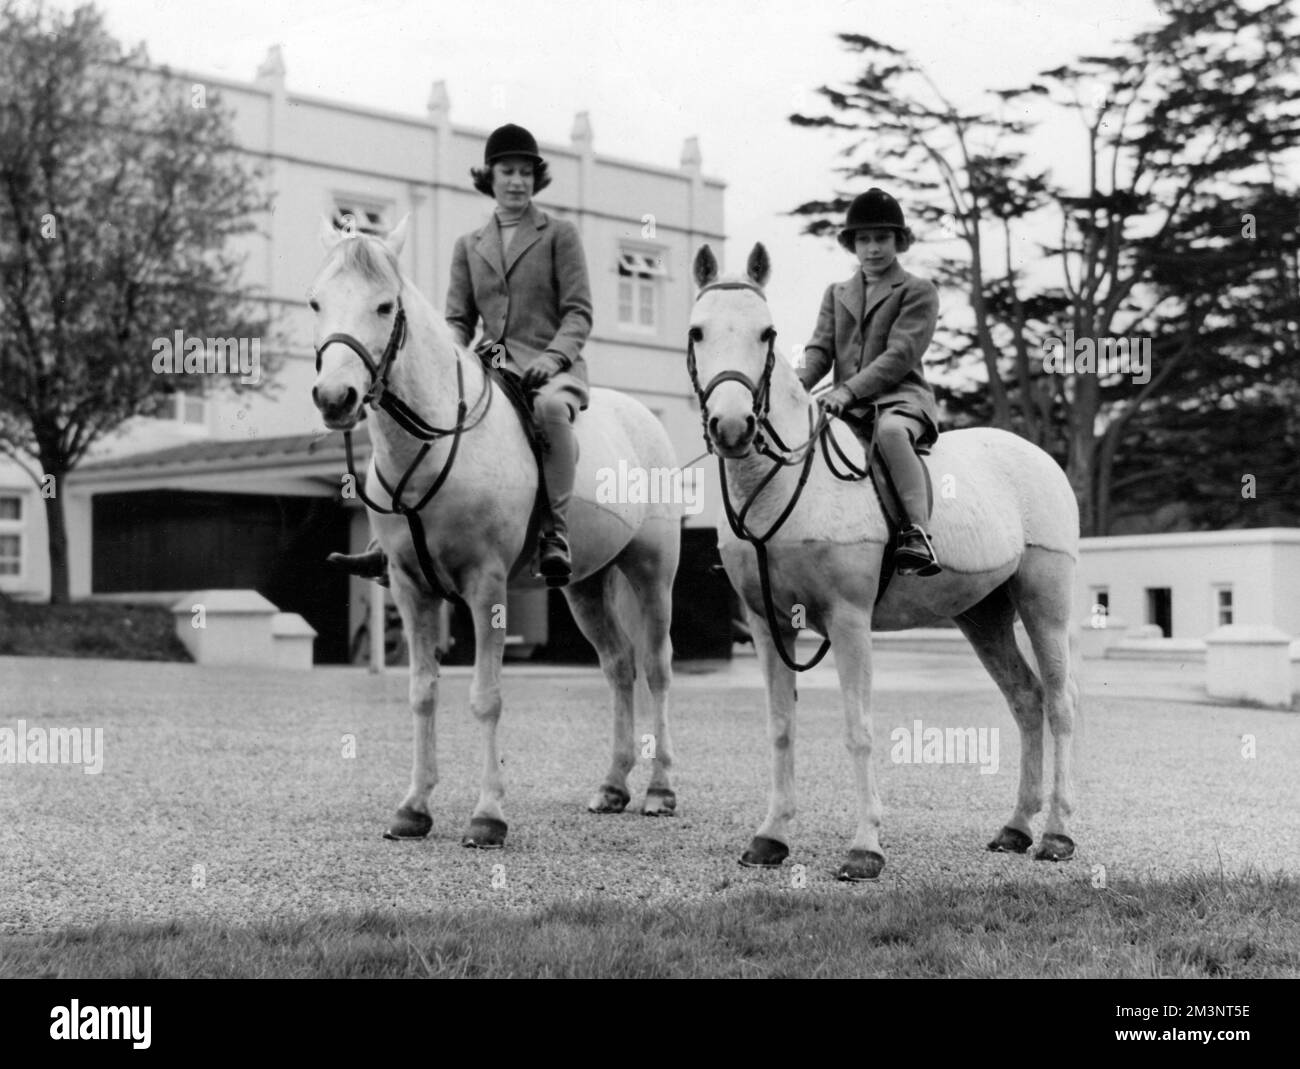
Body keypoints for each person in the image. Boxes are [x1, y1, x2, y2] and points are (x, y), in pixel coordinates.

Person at [330, 123, 592, 588]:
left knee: (550, 411)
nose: (517, 181)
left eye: (525, 173)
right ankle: (388, 540)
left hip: (551, 367)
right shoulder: (468, 246)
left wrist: (553, 358)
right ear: (489, 178)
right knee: (415, 411)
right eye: (507, 171)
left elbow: (578, 314)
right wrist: (446, 360)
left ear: (536, 179)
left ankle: (555, 530)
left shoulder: (560, 235)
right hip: (489, 363)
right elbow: (458, 321)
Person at [796, 187, 943, 576]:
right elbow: (820, 350)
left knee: (892, 434)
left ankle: (918, 534)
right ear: (852, 244)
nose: (873, 248)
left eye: (882, 238)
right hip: (846, 406)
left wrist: (847, 390)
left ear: (899, 241)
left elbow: (898, 356)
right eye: (864, 239)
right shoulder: (837, 293)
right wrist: (795, 386)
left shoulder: (918, 291)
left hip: (899, 399)